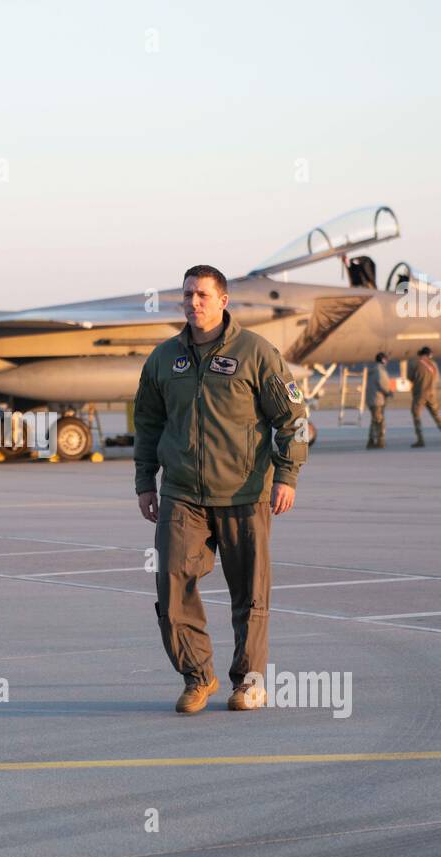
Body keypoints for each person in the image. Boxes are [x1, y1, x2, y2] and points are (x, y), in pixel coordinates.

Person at [134, 264, 307, 715]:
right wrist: (143, 482)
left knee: (250, 593)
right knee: (172, 589)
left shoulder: (256, 353)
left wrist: (287, 476)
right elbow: (147, 424)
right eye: (188, 294)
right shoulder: (163, 359)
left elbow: (293, 421)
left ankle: (248, 683)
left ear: (223, 301)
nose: (194, 302)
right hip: (181, 493)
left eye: (203, 295)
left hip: (244, 493)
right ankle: (198, 677)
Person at [410, 347, 441, 446]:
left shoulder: (415, 363)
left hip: (420, 394)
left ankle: (420, 440)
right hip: (432, 394)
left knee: (416, 416)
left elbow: (410, 377)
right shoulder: (433, 364)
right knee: (436, 414)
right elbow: (437, 379)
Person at [365, 352, 394, 448]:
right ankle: (380, 442)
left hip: (371, 399)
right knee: (379, 421)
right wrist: (389, 392)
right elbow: (383, 384)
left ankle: (371, 441)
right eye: (386, 359)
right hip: (378, 400)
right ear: (383, 360)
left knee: (374, 420)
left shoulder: (372, 370)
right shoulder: (380, 370)